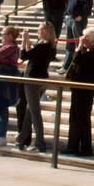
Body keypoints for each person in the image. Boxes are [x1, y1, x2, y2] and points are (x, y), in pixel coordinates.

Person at [16, 24, 55, 153]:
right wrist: (27, 41)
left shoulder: (42, 45)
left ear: (46, 31)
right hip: (42, 79)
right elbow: (31, 55)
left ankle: (40, 142)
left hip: (33, 79)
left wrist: (23, 41)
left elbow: (23, 55)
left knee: (34, 111)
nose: (37, 31)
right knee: (30, 110)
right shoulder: (48, 45)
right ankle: (21, 139)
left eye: (39, 29)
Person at [64, 29, 94, 157]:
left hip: (84, 91)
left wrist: (79, 47)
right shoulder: (90, 53)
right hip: (79, 90)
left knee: (81, 119)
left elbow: (76, 60)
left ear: (91, 41)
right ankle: (74, 145)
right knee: (77, 118)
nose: (82, 39)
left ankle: (82, 147)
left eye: (85, 37)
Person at [60, 0, 93, 74]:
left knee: (79, 44)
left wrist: (82, 16)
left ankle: (79, 66)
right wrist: (65, 14)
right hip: (69, 18)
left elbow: (88, 5)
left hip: (78, 20)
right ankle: (66, 66)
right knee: (69, 45)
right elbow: (68, 2)